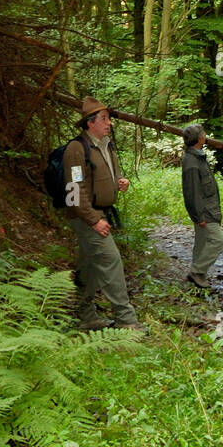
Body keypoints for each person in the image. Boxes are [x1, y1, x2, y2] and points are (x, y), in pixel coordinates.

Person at [62, 97, 144, 332]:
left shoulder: (106, 145)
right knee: (110, 262)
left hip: (102, 213)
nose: (109, 123)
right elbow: (73, 191)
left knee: (89, 266)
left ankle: (86, 316)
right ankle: (126, 320)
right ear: (90, 123)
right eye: (104, 119)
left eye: (108, 118)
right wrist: (93, 220)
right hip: (86, 216)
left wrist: (119, 182)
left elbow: (103, 177)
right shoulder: (76, 149)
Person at [181, 123, 223, 289]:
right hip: (204, 212)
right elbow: (192, 193)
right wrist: (199, 217)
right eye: (204, 133)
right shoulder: (192, 161)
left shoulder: (197, 156)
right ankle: (197, 272)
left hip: (207, 209)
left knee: (201, 244)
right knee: (218, 241)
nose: (206, 135)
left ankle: (194, 281)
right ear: (199, 138)